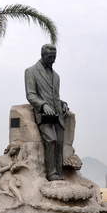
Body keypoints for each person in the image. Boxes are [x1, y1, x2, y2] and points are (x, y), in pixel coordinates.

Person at [25, 44, 69, 181]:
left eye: (54, 57)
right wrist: (43, 105)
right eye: (50, 57)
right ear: (43, 55)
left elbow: (55, 96)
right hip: (43, 115)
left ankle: (59, 172)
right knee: (51, 139)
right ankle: (51, 173)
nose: (52, 60)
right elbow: (31, 95)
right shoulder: (31, 71)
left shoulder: (56, 76)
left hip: (58, 116)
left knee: (59, 142)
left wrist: (62, 104)